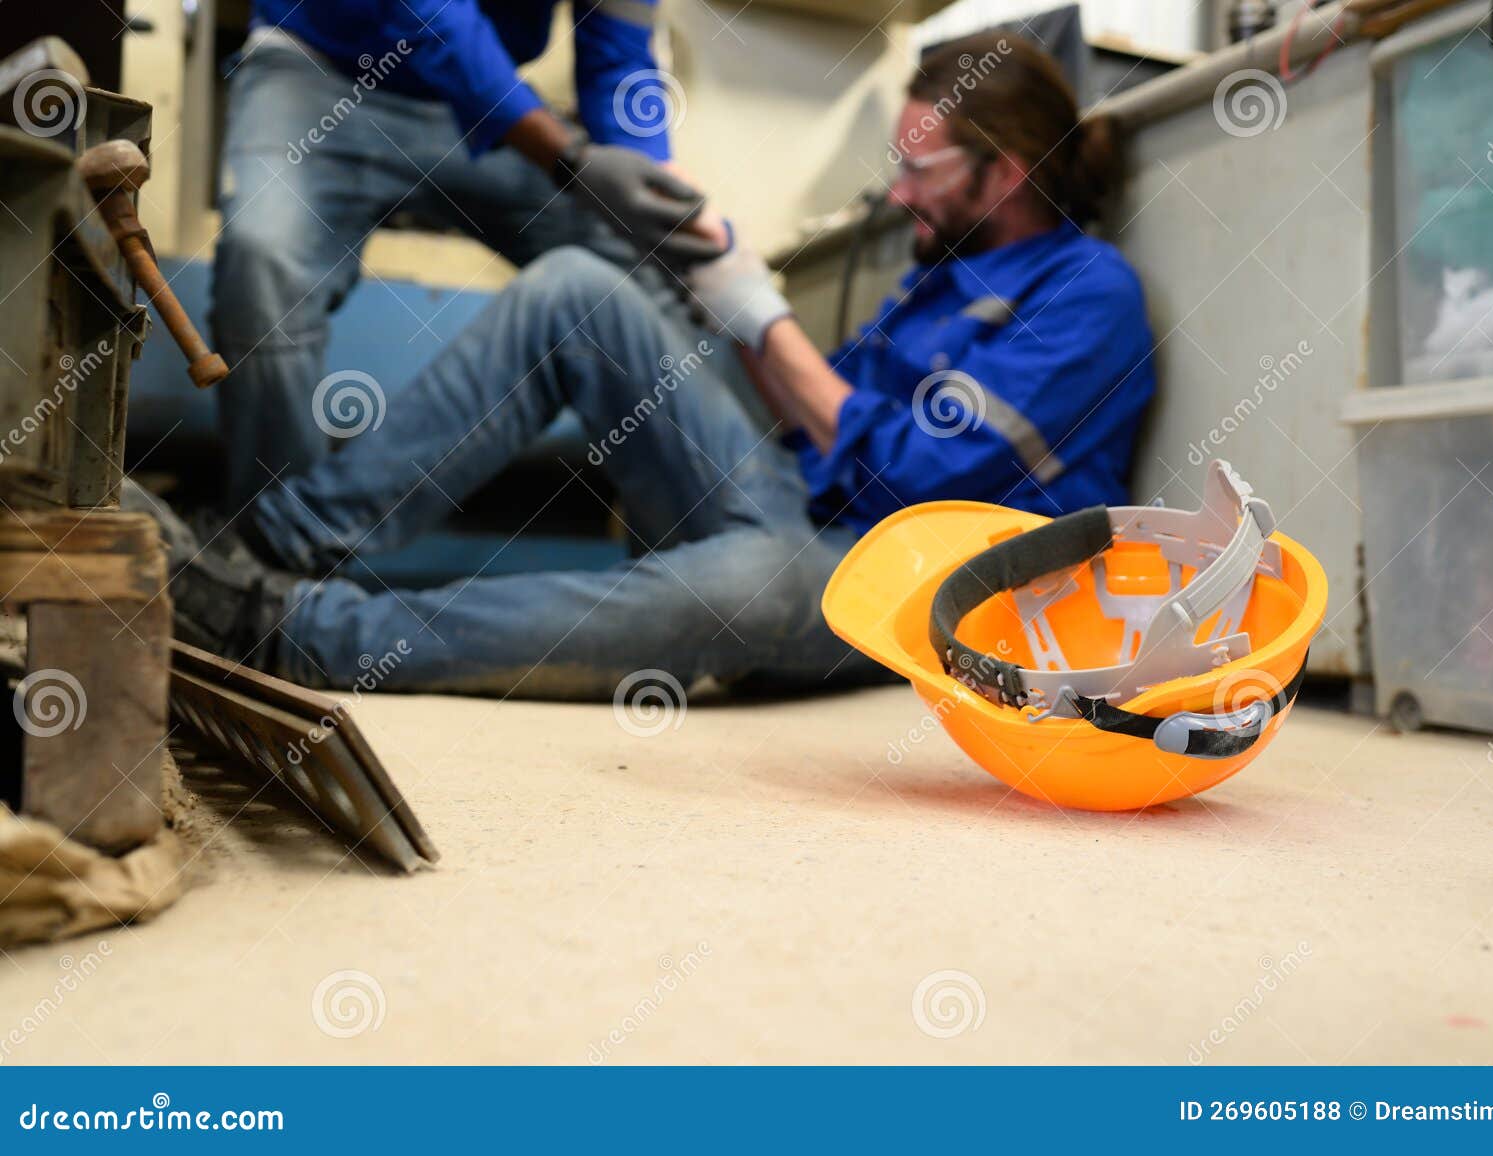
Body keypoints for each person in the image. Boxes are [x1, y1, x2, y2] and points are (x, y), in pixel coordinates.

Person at [142, 32, 1156, 702]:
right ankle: (262, 552)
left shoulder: (1087, 295)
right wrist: (715, 286)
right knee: (580, 286)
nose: (896, 197)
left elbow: (912, 480)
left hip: (915, 584)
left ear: (1006, 173)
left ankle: (299, 633)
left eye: (918, 171)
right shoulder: (941, 274)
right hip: (803, 508)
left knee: (751, 584)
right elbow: (819, 423)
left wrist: (759, 315)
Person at [212, 0, 722, 505]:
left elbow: (616, 54)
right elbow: (427, 13)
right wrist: (570, 159)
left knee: (654, 272)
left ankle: (700, 559)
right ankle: (273, 561)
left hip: (471, 99)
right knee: (263, 258)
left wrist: (648, 182)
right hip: (315, 67)